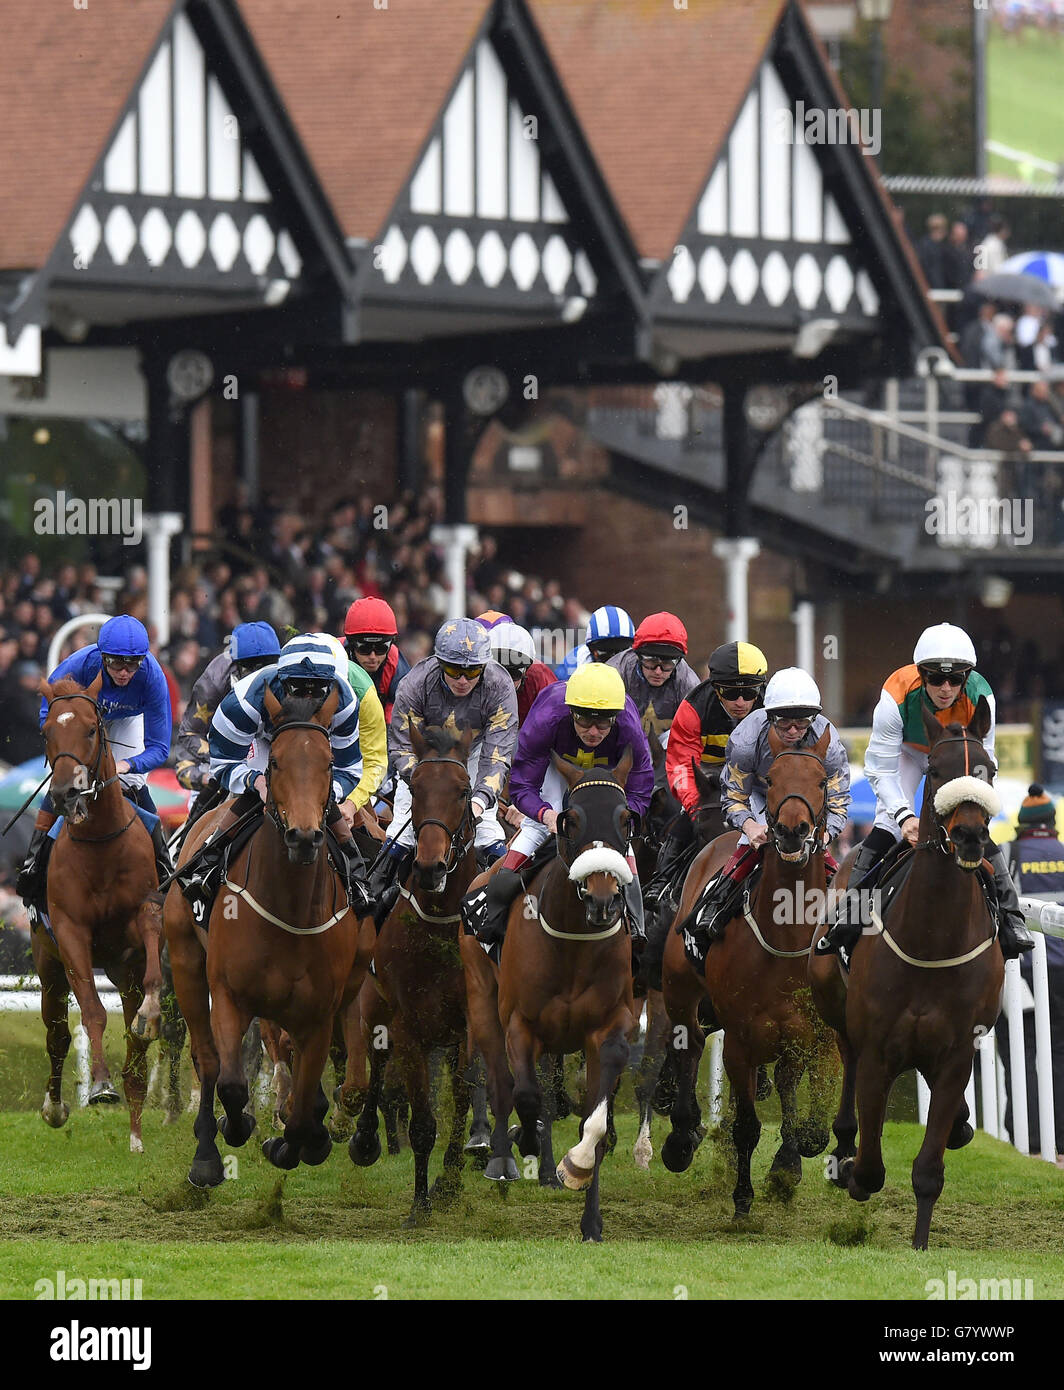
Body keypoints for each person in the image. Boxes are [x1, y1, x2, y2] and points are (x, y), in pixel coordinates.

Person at [815, 622, 1034, 961]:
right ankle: (849, 915)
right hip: (906, 753)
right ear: (920, 675)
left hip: (954, 757)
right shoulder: (896, 692)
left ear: (966, 678)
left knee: (976, 826)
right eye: (935, 678)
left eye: (955, 679)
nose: (946, 688)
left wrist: (979, 803)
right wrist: (904, 817)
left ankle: (1012, 917)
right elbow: (880, 769)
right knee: (887, 825)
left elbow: (985, 761)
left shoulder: (981, 694)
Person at [460, 661, 653, 951]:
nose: (593, 731)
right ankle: (493, 921)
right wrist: (544, 814)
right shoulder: (548, 716)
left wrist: (622, 821)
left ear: (616, 717)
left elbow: (641, 785)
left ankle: (637, 927)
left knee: (623, 852)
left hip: (606, 780)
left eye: (603, 723)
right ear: (570, 711)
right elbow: (523, 785)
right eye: (584, 721)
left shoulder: (627, 725)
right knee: (532, 836)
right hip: (554, 770)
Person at [175, 633, 372, 911]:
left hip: (312, 744)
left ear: (330, 686)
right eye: (298, 688)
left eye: (316, 690)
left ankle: (357, 872)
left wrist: (328, 791)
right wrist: (256, 781)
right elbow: (223, 763)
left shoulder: (344, 702)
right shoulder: (243, 703)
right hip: (259, 741)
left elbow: (349, 768)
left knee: (320, 793)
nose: (307, 697)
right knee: (259, 793)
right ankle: (208, 859)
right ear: (282, 681)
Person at [15, 614, 175, 912]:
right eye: (116, 663)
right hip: (80, 721)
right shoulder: (78, 666)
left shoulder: (153, 677)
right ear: (102, 657)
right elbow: (46, 717)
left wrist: (127, 767)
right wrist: (69, 749)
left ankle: (164, 866)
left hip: (127, 723)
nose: (125, 672)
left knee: (134, 783)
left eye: (133, 664)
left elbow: (159, 748)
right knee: (68, 781)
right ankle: (33, 863)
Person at [684, 667, 850, 950]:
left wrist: (826, 836)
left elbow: (837, 800)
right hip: (762, 793)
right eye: (785, 723)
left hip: (806, 797)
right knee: (750, 842)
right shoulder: (745, 739)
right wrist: (750, 826)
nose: (794, 731)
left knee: (817, 848)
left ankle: (848, 908)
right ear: (770, 715)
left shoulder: (829, 742)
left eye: (802, 723)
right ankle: (713, 904)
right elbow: (734, 795)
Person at [365, 617, 519, 917]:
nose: (463, 680)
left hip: (473, 757)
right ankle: (371, 906)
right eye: (453, 670)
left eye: (472, 671)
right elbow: (400, 745)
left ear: (484, 667)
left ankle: (506, 915)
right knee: (402, 832)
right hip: (426, 763)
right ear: (439, 663)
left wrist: (478, 801)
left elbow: (498, 755)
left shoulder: (500, 685)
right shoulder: (415, 683)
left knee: (487, 833)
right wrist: (426, 789)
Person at [646, 641, 769, 902]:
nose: (740, 702)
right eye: (731, 693)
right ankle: (663, 879)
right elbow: (680, 764)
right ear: (715, 688)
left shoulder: (771, 706)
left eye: (749, 693)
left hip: (755, 776)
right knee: (687, 817)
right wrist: (694, 806)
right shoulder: (694, 708)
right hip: (708, 771)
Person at [996, 785, 1064, 1158]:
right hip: (1063, 973)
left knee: (1021, 1053)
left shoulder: (1010, 853)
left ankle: (1030, 1136)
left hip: (1023, 974)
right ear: (1052, 824)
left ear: (1023, 824)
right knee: (1060, 1052)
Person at [174, 621, 280, 815]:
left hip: (271, 746)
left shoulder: (288, 676)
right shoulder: (214, 681)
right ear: (235, 665)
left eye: (268, 664)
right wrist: (212, 769)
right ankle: (188, 841)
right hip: (222, 754)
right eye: (251, 667)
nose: (261, 674)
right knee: (212, 786)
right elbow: (188, 735)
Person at [608, 611, 699, 751]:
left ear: (679, 661)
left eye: (667, 663)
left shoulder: (689, 684)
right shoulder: (614, 673)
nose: (658, 671)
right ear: (637, 655)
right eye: (651, 660)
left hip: (665, 747)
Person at [342, 597, 410, 726]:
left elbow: (400, 716)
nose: (373, 657)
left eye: (381, 648)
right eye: (364, 648)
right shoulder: (334, 656)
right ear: (351, 644)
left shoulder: (395, 663)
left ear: (390, 645)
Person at [554, 604, 637, 677]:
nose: (614, 662)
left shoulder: (642, 666)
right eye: (605, 654)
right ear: (590, 650)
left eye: (621, 653)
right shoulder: (573, 664)